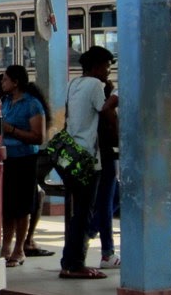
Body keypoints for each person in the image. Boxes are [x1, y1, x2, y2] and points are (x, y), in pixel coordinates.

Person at [59, 45, 115, 280]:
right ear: (95, 66)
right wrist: (114, 98)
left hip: (71, 155)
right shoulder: (95, 85)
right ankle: (76, 264)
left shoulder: (74, 83)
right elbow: (105, 113)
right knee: (85, 212)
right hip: (88, 158)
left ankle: (68, 262)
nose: (108, 72)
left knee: (78, 212)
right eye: (106, 67)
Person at [0, 65, 46, 267]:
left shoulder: (32, 105)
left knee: (22, 207)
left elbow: (38, 137)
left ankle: (19, 248)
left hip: (25, 159)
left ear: (16, 82)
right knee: (7, 206)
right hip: (6, 158)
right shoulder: (5, 102)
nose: (2, 83)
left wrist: (12, 130)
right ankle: (5, 246)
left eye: (5, 80)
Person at [86, 78, 121, 269]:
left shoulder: (76, 92)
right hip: (106, 156)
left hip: (93, 155)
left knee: (112, 198)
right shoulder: (105, 111)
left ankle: (92, 229)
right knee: (107, 202)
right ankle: (107, 251)